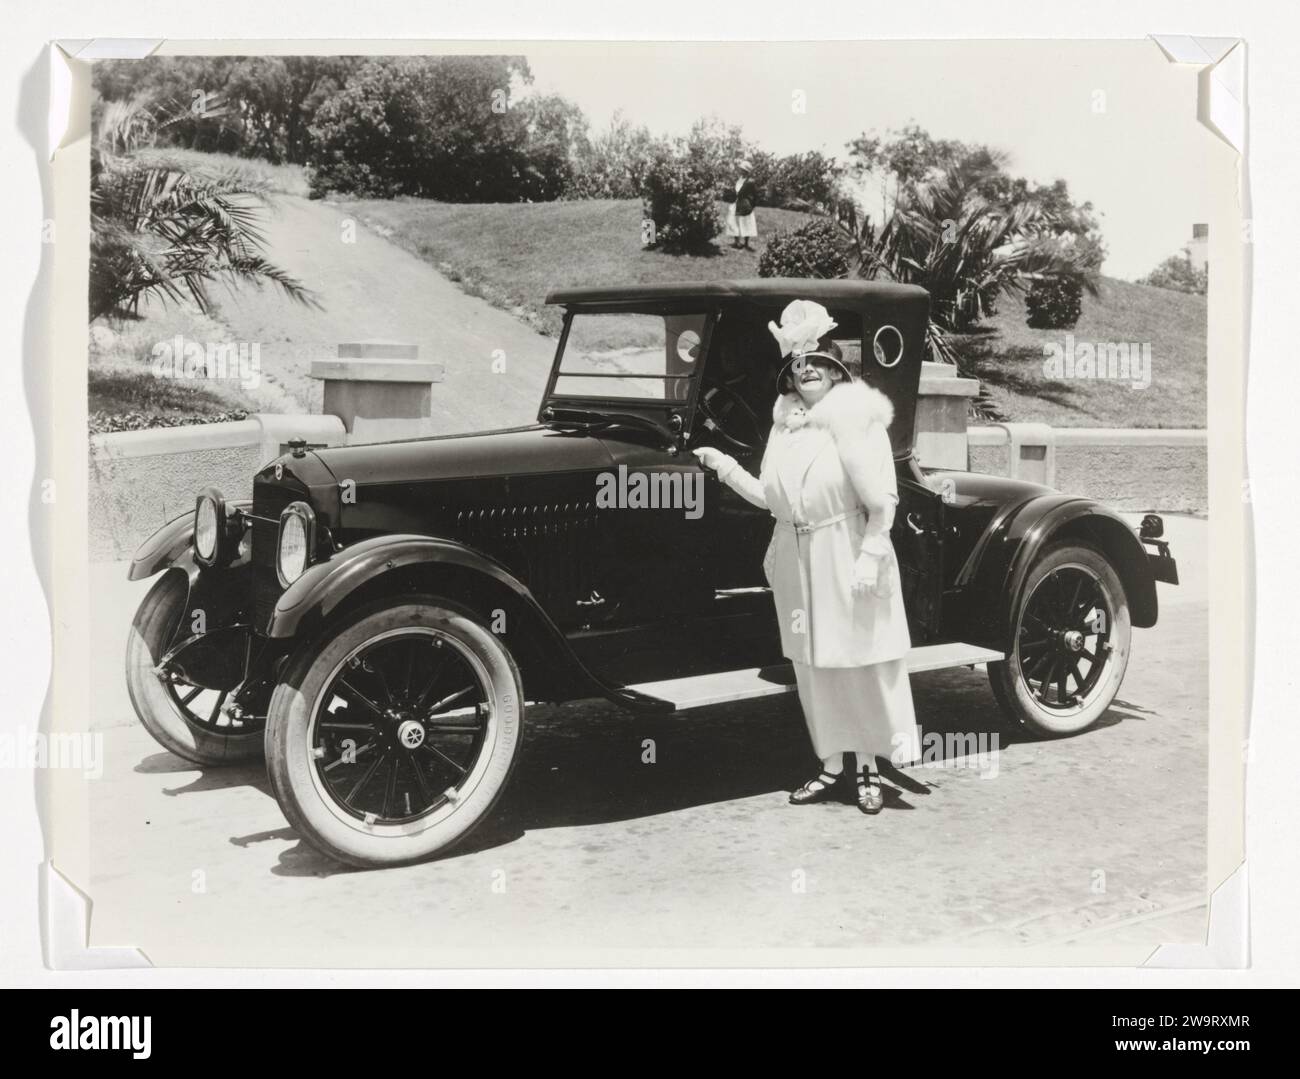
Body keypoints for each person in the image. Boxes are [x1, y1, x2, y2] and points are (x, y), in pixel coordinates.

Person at [693, 300, 919, 814]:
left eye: (817, 361)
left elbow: (883, 500)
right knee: (811, 665)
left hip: (848, 551)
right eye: (797, 365)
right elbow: (775, 500)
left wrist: (870, 557)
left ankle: (868, 767)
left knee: (856, 661)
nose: (806, 370)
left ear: (838, 370)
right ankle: (831, 764)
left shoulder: (857, 422)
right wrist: (725, 466)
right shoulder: (785, 428)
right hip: (798, 556)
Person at [725, 159, 759, 250]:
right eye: (740, 169)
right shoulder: (739, 180)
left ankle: (746, 243)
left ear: (746, 171)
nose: (740, 170)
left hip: (745, 204)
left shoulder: (750, 182)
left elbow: (755, 195)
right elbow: (736, 191)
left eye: (742, 169)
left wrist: (751, 205)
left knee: (746, 222)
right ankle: (736, 241)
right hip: (736, 203)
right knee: (732, 221)